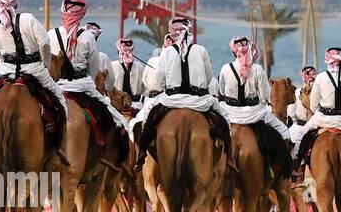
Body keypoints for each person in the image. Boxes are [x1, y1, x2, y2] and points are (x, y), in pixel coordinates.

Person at [133, 16, 223, 165]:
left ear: (171, 32)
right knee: (224, 118)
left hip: (172, 100)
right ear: (189, 30)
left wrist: (170, 87)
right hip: (198, 100)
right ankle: (230, 158)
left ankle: (141, 153)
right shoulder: (201, 50)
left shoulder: (167, 53)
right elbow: (208, 79)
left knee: (145, 120)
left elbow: (161, 80)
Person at [0, 0, 67, 126]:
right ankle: (63, 139)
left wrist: (6, 63)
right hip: (34, 68)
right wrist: (45, 65)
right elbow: (45, 44)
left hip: (6, 68)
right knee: (60, 98)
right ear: (16, 3)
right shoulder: (28, 19)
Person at [46, 0, 129, 134]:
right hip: (82, 85)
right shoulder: (88, 37)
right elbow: (93, 69)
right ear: (82, 14)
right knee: (117, 119)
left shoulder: (51, 34)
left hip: (56, 86)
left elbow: (46, 62)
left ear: (63, 11)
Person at [210, 36, 292, 152]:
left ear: (234, 51)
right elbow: (264, 97)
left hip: (230, 112)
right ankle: (283, 166)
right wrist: (261, 101)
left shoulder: (225, 68)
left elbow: (222, 91)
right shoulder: (257, 69)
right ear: (249, 50)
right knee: (284, 131)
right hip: (254, 113)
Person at [296, 47, 341, 167]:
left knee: (300, 134)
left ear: (327, 60)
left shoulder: (320, 77)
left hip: (325, 120)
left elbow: (313, 105)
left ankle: (297, 167)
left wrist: (321, 109)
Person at [109, 37, 147, 107]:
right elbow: (143, 88)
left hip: (117, 105)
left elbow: (108, 86)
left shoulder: (112, 65)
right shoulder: (140, 66)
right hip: (136, 105)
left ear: (118, 51)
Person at [286, 65, 316, 152]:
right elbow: (292, 115)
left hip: (315, 125)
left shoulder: (319, 92)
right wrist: (295, 127)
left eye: (313, 74)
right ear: (303, 76)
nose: (311, 77)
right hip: (300, 126)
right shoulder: (297, 93)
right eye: (309, 75)